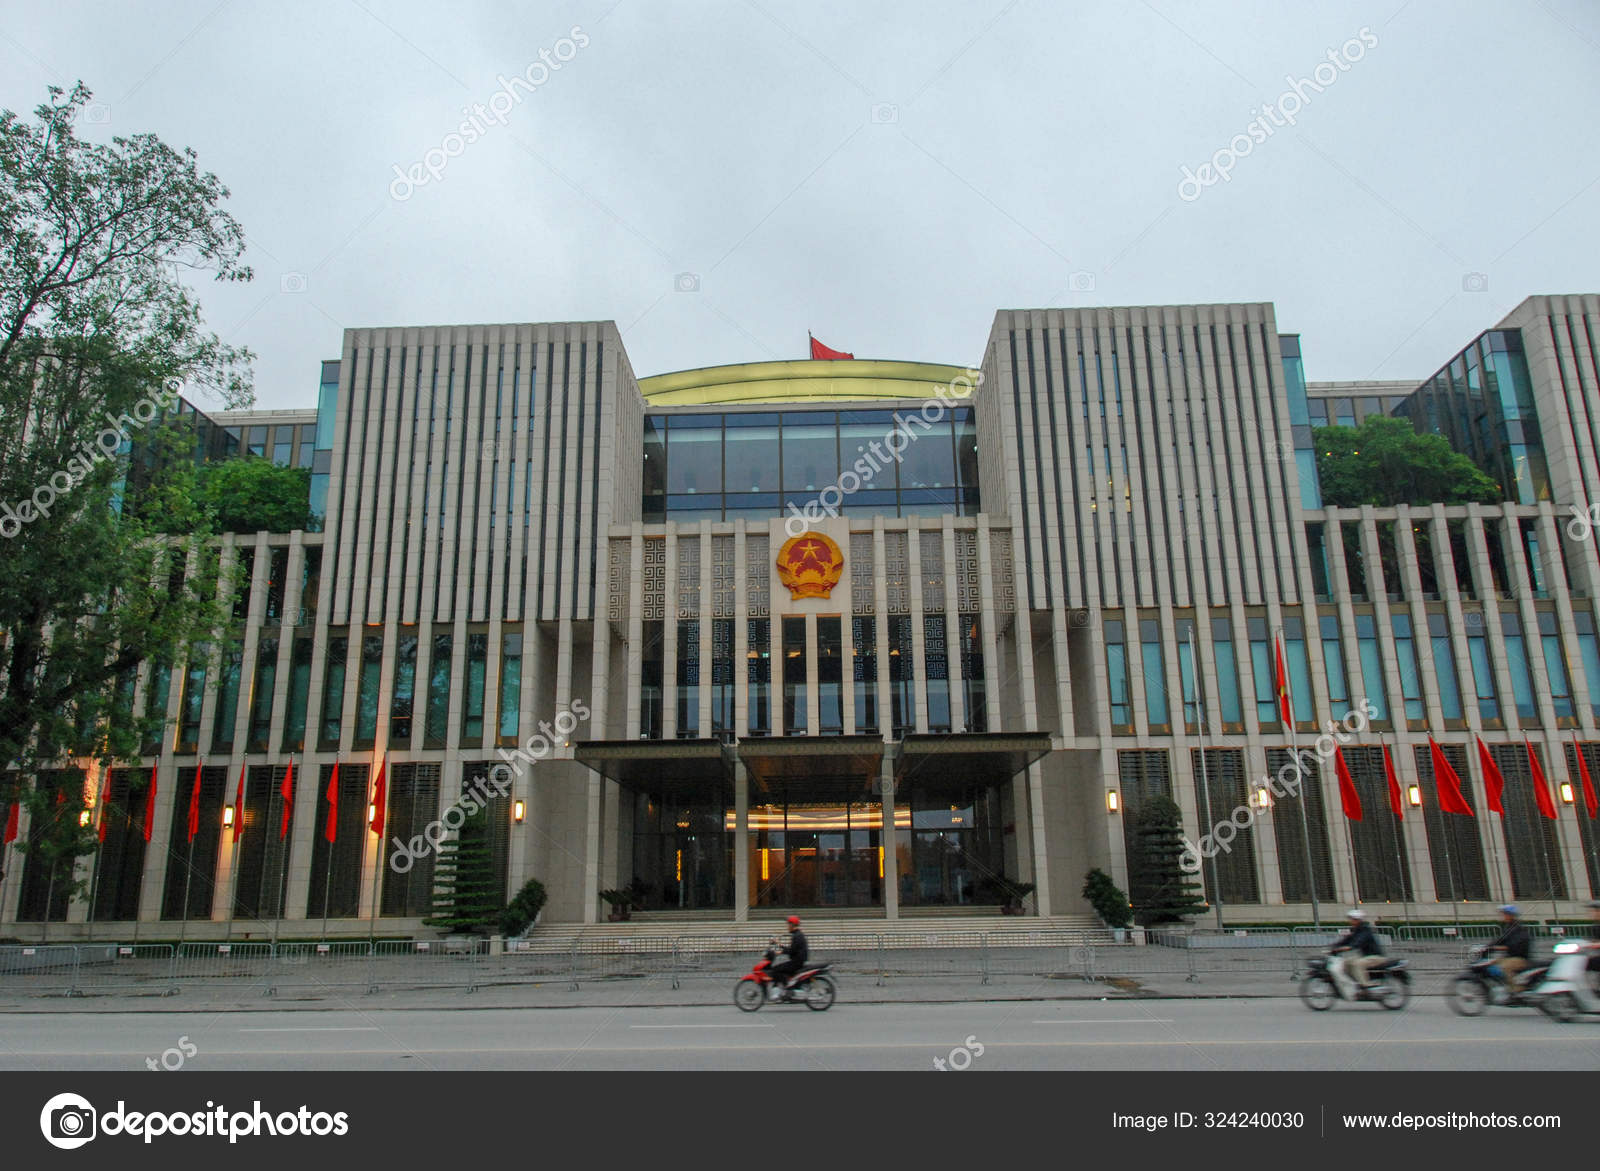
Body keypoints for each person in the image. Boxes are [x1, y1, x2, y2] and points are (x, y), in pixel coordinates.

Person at [1329, 908, 1384, 997]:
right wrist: (1334, 946)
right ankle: (1354, 984)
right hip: (1365, 956)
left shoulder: (1365, 930)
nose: (1351, 921)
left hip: (1375, 956)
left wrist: (1348, 948)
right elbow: (1347, 940)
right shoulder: (1356, 930)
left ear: (1358, 920)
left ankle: (1365, 986)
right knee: (1346, 962)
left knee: (1357, 964)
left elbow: (1358, 942)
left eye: (1352, 919)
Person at [1484, 904, 1532, 991]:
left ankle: (1517, 990)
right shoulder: (1508, 927)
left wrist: (1501, 948)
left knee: (1504, 968)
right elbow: (1500, 940)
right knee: (1489, 964)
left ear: (1511, 915)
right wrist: (1486, 948)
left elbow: (1516, 945)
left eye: (1505, 914)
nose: (1504, 916)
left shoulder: (1519, 928)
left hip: (1519, 958)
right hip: (1510, 957)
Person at [767, 915, 808, 1000]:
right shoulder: (797, 935)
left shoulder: (797, 936)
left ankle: (786, 990)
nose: (787, 926)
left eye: (788, 924)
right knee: (781, 970)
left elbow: (791, 951)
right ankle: (786, 988)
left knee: (775, 969)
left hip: (796, 962)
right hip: (797, 961)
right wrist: (778, 944)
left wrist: (779, 952)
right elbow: (791, 949)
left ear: (792, 925)